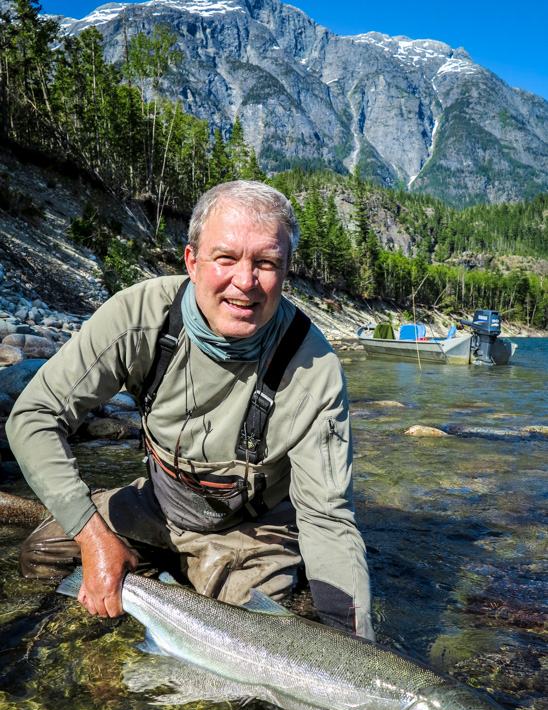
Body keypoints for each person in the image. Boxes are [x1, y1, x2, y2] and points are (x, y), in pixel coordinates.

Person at [7, 181, 375, 640]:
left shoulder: (313, 367)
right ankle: (157, 587)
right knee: (41, 556)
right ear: (192, 262)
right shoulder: (141, 317)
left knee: (256, 644)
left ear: (285, 273)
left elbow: (328, 519)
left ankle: (165, 594)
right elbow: (34, 416)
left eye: (266, 263)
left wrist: (355, 653)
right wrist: (94, 538)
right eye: (226, 258)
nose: (245, 282)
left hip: (252, 533)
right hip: (159, 507)